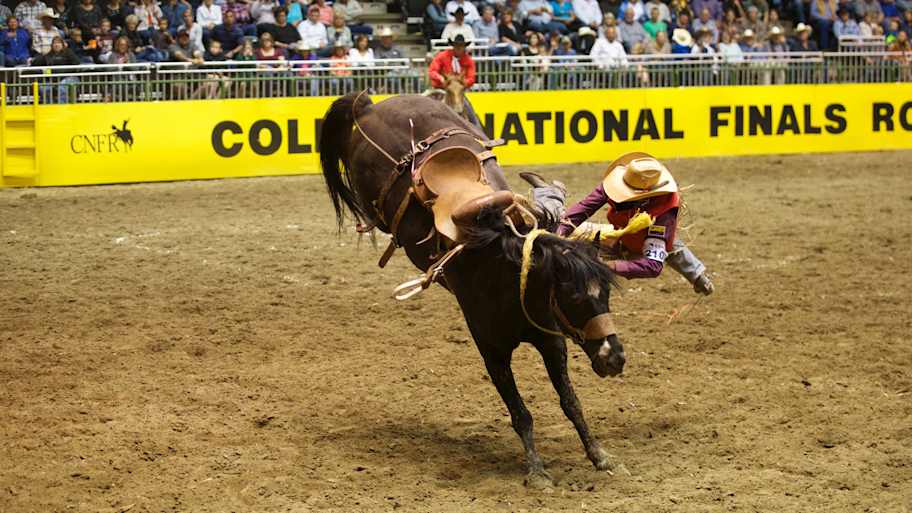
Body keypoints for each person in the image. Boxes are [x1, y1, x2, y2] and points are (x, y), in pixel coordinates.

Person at [542, 152, 714, 294]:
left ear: (644, 198)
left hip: (643, 237)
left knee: (671, 245)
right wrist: (560, 233)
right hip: (620, 232)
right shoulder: (618, 181)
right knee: (576, 229)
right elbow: (585, 207)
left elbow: (653, 265)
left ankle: (697, 274)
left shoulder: (664, 212)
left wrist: (608, 266)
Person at [427, 34, 479, 123]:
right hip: (440, 89)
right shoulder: (442, 56)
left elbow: (471, 78)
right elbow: (432, 71)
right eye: (457, 45)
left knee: (470, 112)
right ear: (453, 46)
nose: (459, 48)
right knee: (424, 104)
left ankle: (477, 130)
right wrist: (441, 79)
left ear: (464, 47)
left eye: (461, 46)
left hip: (459, 91)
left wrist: (463, 82)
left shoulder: (469, 60)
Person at [32, 36, 80, 103]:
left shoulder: (68, 52)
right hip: (52, 80)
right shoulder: (48, 55)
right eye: (54, 43)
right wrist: (43, 54)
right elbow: (35, 63)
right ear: (52, 45)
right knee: (43, 88)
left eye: (58, 43)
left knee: (62, 86)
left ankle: (61, 108)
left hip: (69, 77)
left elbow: (77, 63)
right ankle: (49, 108)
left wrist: (63, 71)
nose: (56, 45)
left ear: (62, 45)